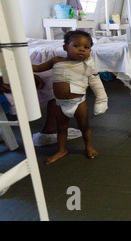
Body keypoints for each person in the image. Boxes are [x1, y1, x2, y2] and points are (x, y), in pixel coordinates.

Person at [32, 30, 108, 164]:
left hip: (79, 103)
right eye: (77, 46)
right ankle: (62, 150)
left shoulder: (87, 65)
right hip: (59, 103)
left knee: (84, 126)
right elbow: (38, 68)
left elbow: (96, 83)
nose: (82, 49)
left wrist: (101, 99)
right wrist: (19, 64)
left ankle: (89, 147)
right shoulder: (56, 60)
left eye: (86, 47)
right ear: (65, 47)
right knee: (61, 128)